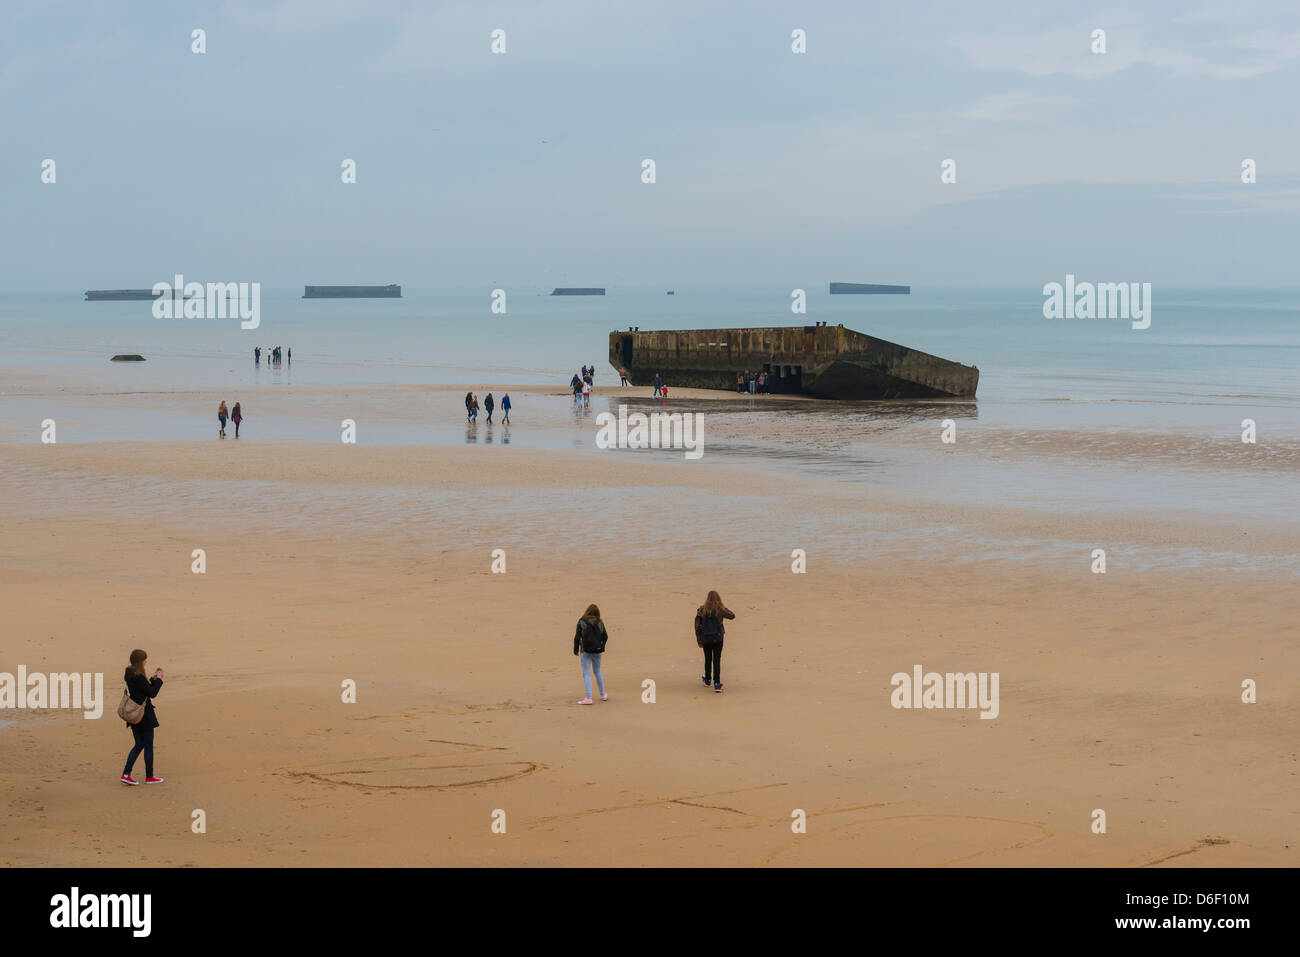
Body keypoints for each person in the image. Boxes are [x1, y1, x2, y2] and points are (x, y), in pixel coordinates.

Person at [120, 649, 164, 785]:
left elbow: (143, 688)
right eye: (144, 659)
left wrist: (153, 679)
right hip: (143, 715)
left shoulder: (130, 673)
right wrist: (159, 681)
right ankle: (149, 776)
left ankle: (126, 773)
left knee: (139, 744)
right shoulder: (138, 676)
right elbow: (152, 693)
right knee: (148, 745)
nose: (146, 662)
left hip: (134, 714)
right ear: (140, 661)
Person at [695, 590, 736, 693]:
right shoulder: (720, 609)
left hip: (705, 639)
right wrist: (723, 607)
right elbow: (732, 615)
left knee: (707, 659)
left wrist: (699, 639)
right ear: (718, 598)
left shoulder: (701, 609)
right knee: (717, 660)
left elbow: (696, 626)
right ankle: (717, 684)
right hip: (718, 638)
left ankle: (707, 680)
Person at [572, 603, 609, 704]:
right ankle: (603, 694)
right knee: (597, 672)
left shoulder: (582, 621)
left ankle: (589, 698)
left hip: (585, 651)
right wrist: (602, 646)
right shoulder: (599, 622)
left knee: (586, 673)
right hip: (598, 651)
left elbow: (577, 637)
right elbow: (605, 636)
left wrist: (575, 650)